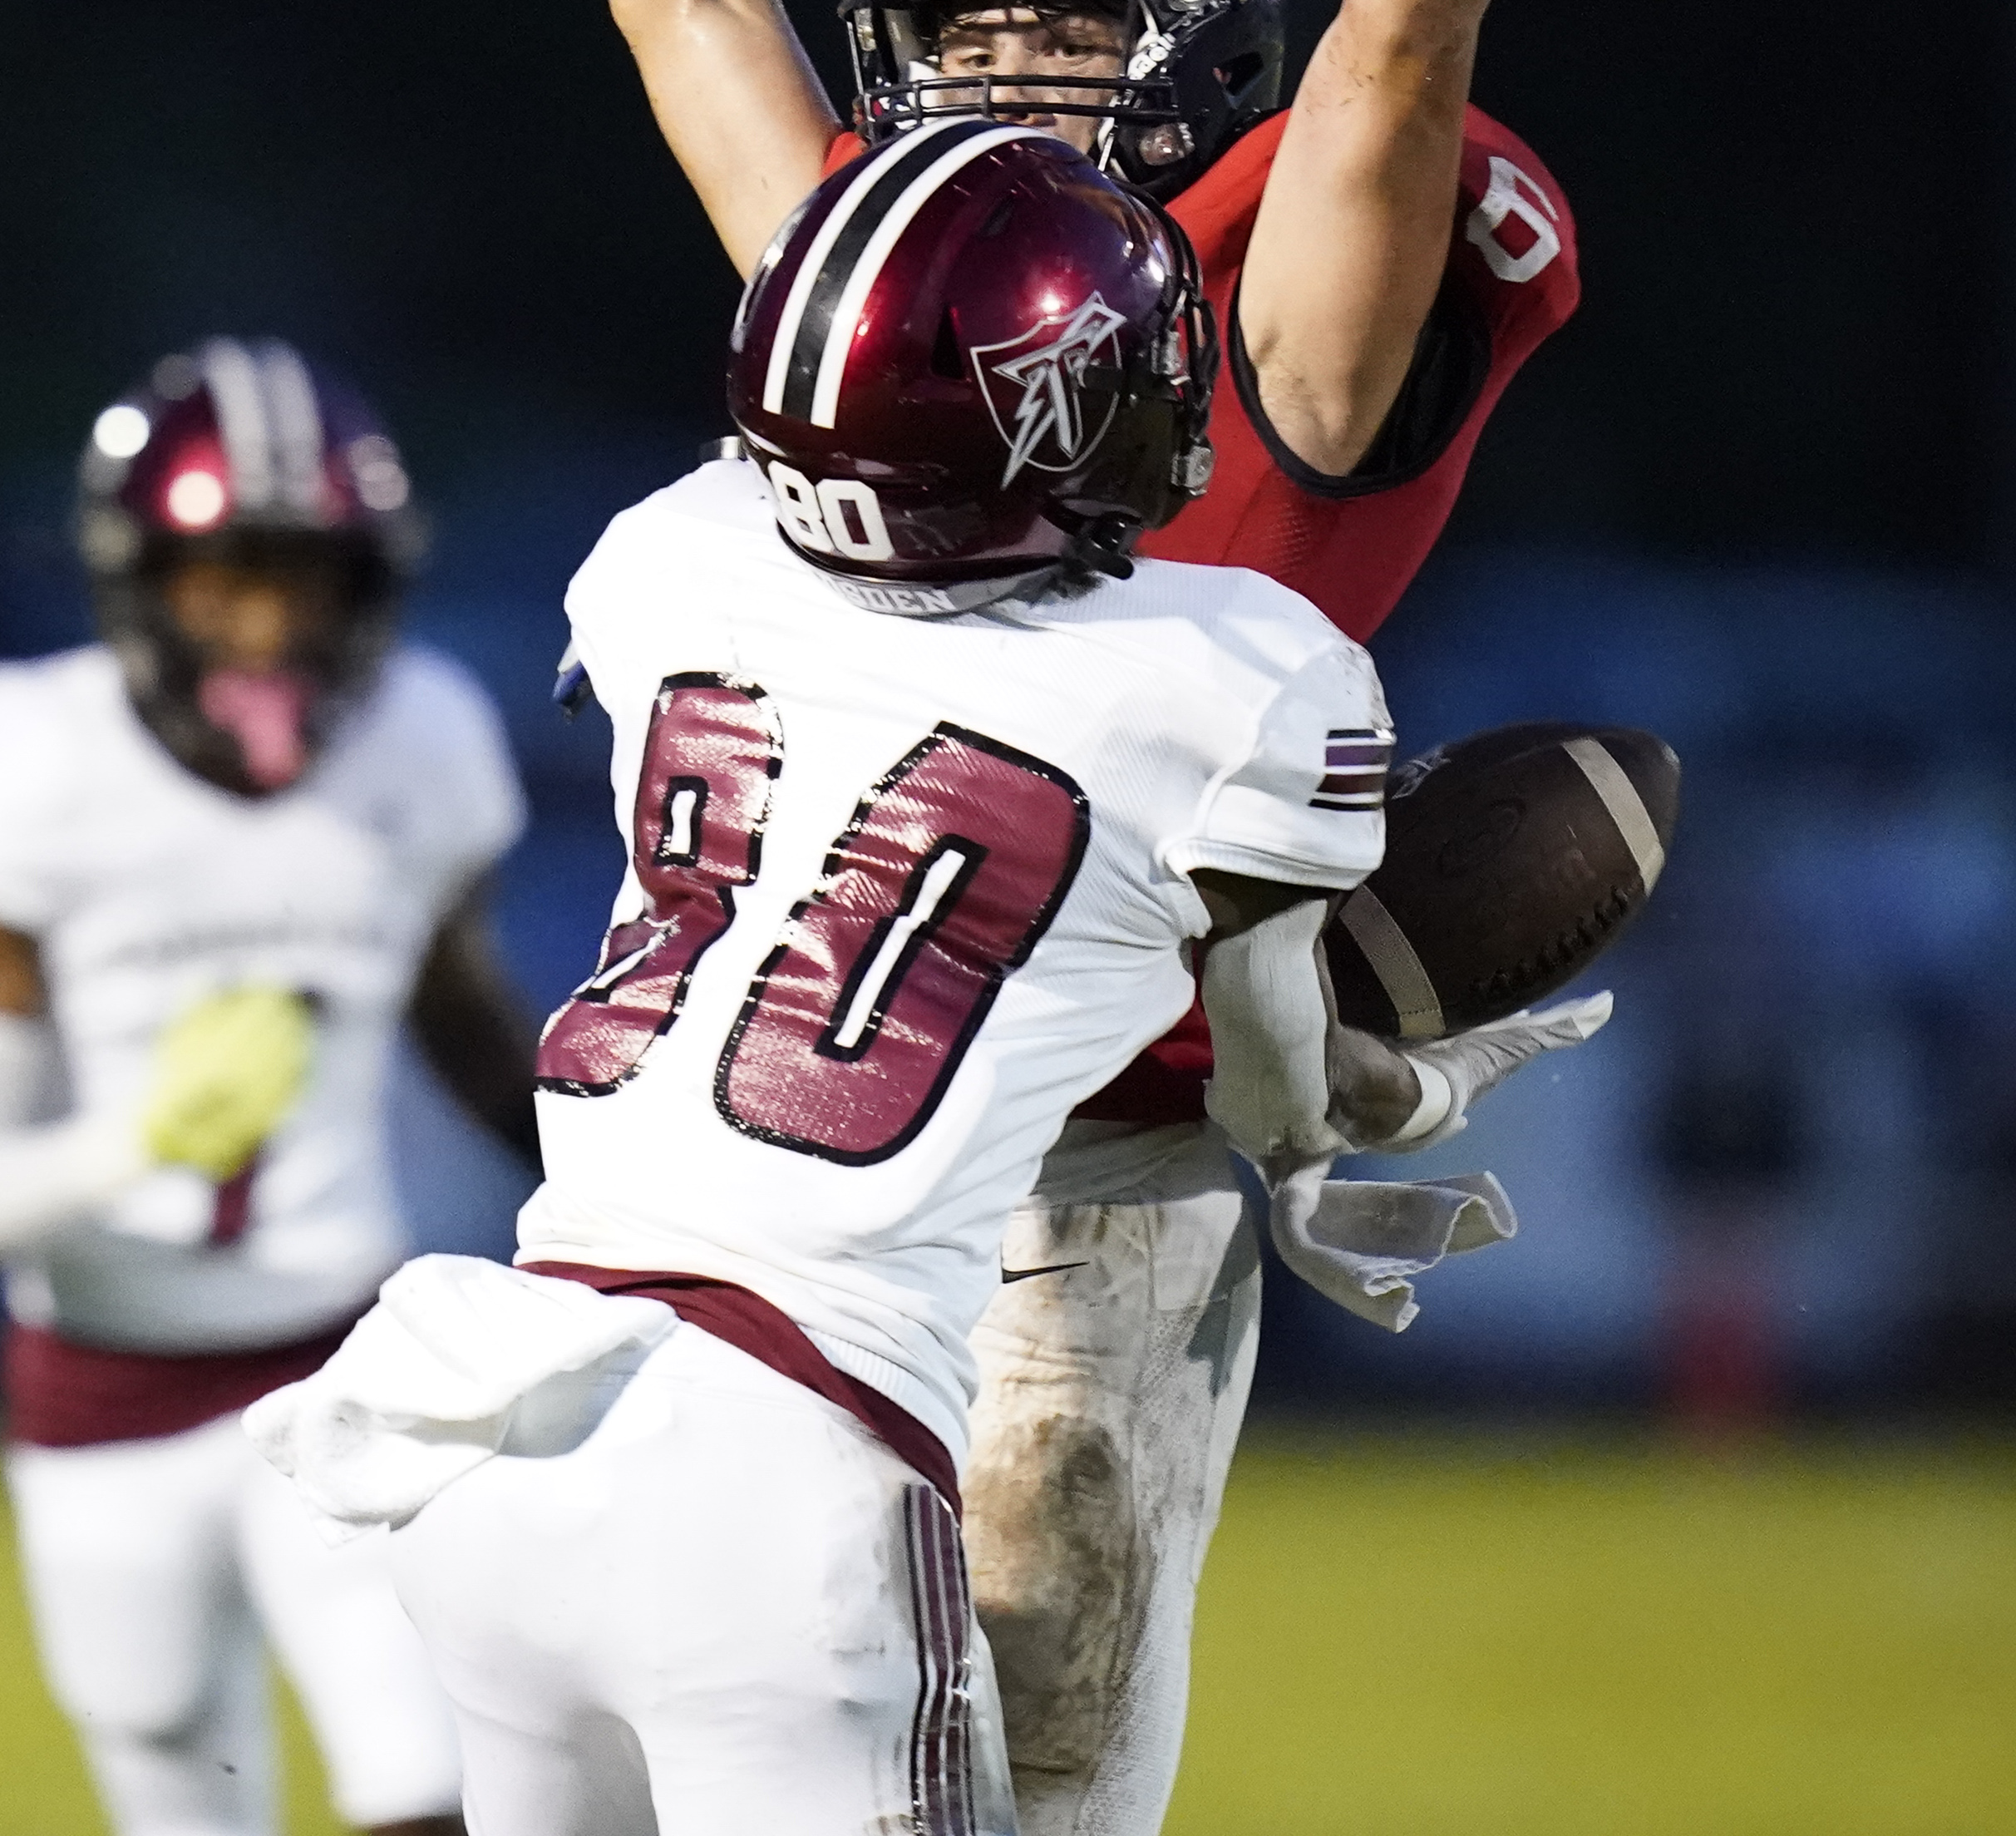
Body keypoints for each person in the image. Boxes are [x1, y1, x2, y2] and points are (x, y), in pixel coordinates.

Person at [249, 131, 1600, 1836]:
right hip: (778, 1461)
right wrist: (1386, 1097)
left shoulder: (666, 560)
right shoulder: (1233, 676)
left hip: (494, 1431)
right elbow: (1272, 1086)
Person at [563, 0, 1575, 1826]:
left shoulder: (1267, 314)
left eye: (1070, 32)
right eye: (960, 40)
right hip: (762, 1170)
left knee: (1020, 1778)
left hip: (1090, 1165)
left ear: (1211, 65)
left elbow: (1408, 18)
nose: (1005, 86)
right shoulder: (887, 290)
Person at [0, 340, 540, 1836]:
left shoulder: (423, 737)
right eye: (223, 581)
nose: (265, 630)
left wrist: (617, 1204)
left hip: (335, 1361)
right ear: (137, 580)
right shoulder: (33, 769)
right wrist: (136, 1144)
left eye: (305, 583)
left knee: (427, 1780)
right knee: (178, 1786)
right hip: (100, 1392)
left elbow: (462, 1017)